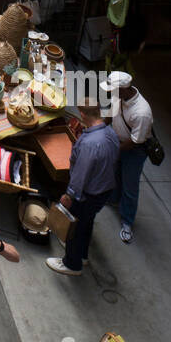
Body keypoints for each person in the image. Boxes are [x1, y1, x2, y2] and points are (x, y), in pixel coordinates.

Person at [46, 100, 121, 276]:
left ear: (83, 115)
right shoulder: (110, 133)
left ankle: (72, 263)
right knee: (86, 224)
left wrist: (69, 194)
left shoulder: (89, 143)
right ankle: (83, 255)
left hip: (88, 193)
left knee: (74, 227)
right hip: (104, 189)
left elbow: (82, 172)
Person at [102, 70, 153, 244]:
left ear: (123, 89)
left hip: (134, 150)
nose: (109, 92)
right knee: (115, 173)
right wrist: (98, 128)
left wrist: (112, 150)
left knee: (130, 187)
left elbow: (135, 142)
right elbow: (110, 115)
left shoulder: (142, 112)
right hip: (119, 141)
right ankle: (113, 199)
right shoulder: (119, 97)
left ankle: (127, 222)